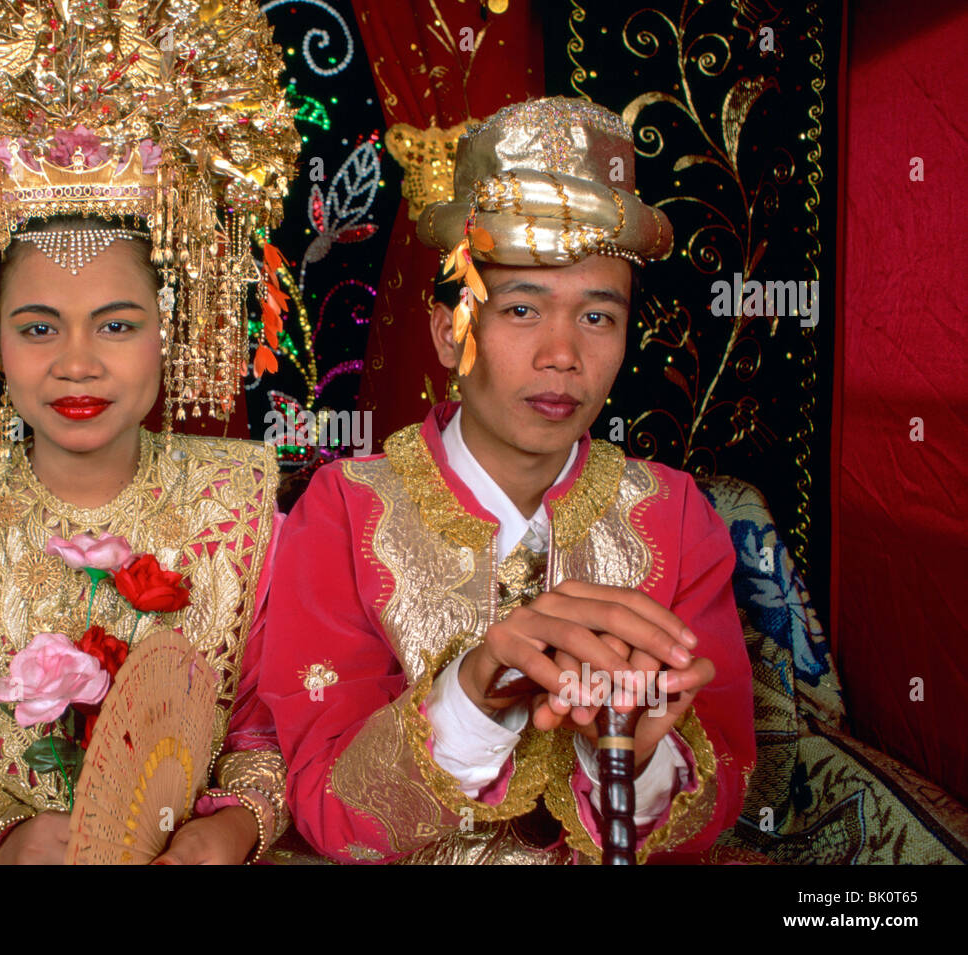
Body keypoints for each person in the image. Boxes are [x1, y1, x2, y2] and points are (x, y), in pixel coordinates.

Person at [0, 0, 299, 864]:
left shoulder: (247, 513)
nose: (76, 364)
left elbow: (274, 732)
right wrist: (1, 839)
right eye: (39, 328)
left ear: (168, 332)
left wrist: (226, 831)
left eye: (115, 325)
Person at [258, 97, 756, 864]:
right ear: (449, 330)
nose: (563, 354)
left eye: (598, 317)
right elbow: (328, 811)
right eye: (522, 308)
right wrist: (475, 687)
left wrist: (630, 753)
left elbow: (719, 799)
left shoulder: (675, 515)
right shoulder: (346, 511)